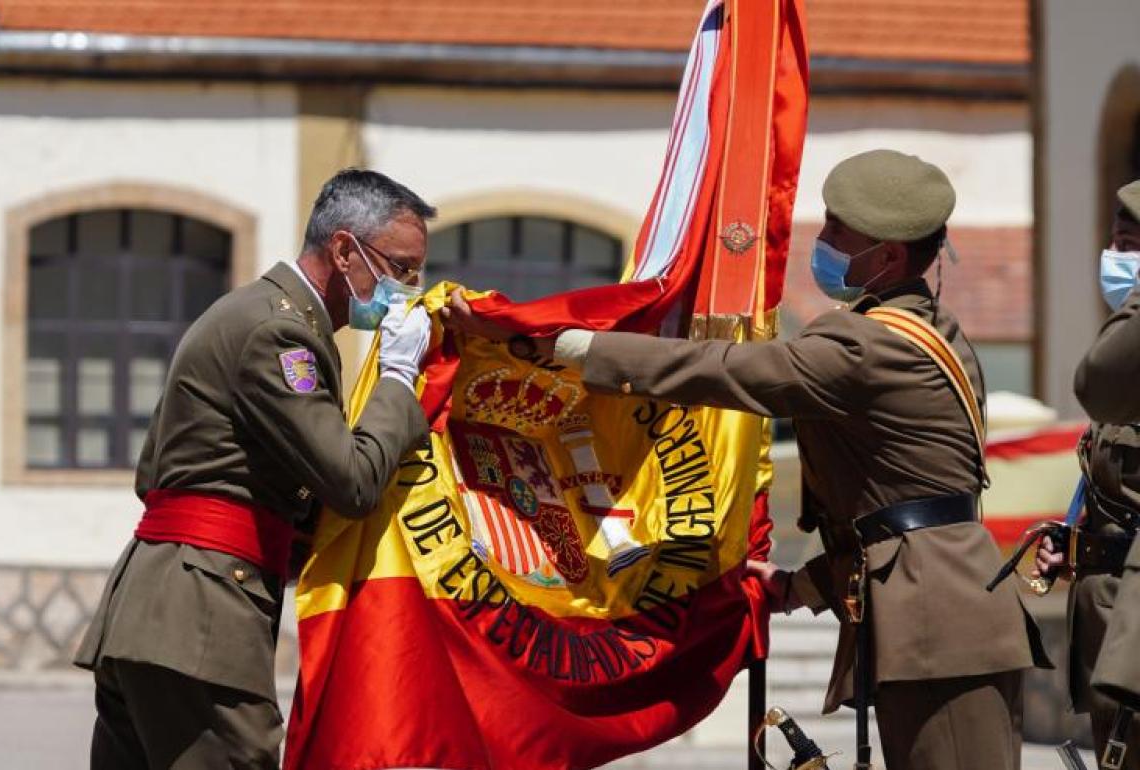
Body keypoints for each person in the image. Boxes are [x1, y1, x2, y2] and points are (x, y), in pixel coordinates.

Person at [444, 149, 1047, 770]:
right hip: (937, 606)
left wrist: (567, 344)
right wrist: (796, 587)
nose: (826, 240)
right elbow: (895, 518)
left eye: (840, 230)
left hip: (938, 624)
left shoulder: (866, 343)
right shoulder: (928, 328)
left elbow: (725, 370)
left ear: (889, 256)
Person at [74, 169, 436, 769]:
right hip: (199, 622)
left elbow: (158, 475)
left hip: (160, 611)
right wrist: (398, 379)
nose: (409, 290)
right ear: (345, 250)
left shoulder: (256, 312)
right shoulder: (280, 331)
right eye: (399, 269)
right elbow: (351, 482)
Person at [1036, 179, 1140, 766]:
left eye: (1132, 248)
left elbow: (1093, 383)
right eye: (1115, 245)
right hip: (1110, 604)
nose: (1118, 261)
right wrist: (1073, 542)